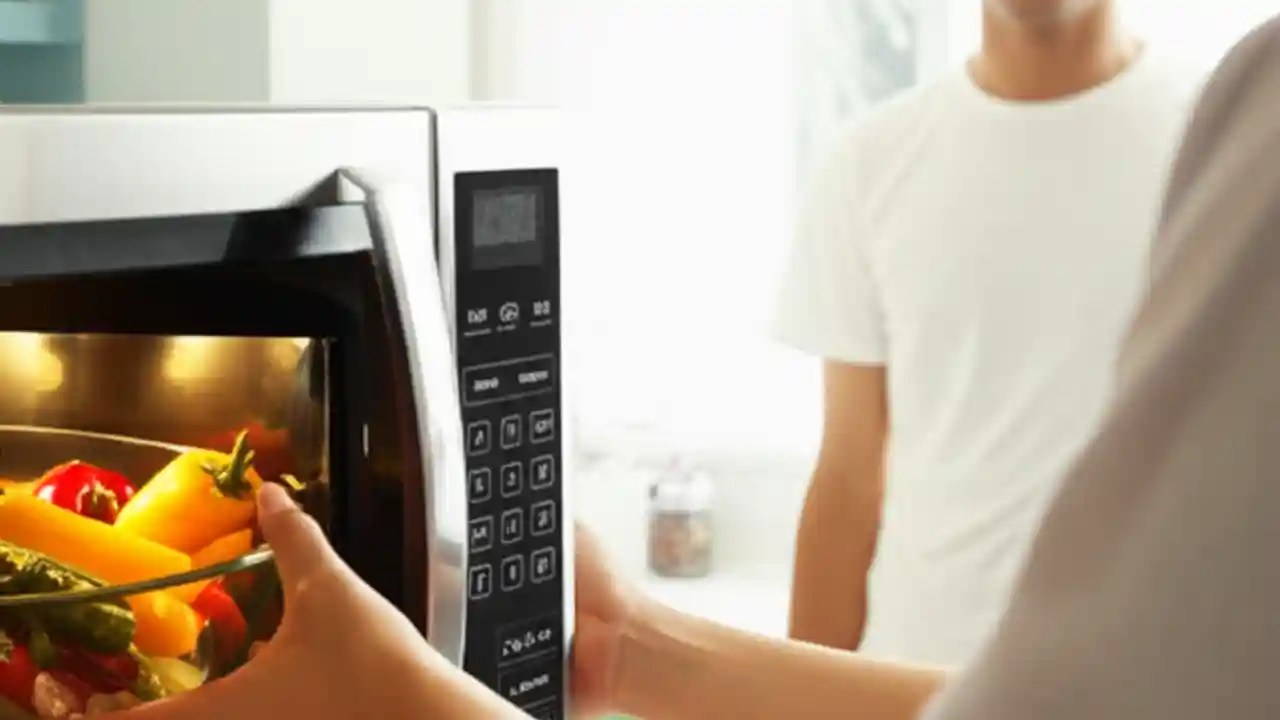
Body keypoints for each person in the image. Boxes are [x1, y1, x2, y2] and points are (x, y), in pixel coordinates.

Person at [112, 14, 1280, 720]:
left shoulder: (1227, 118)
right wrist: (632, 648)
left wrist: (417, 700)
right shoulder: (883, 157)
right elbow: (858, 484)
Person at [775, 0, 1202, 665]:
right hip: (920, 680)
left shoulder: (1224, 151)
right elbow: (849, 481)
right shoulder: (869, 164)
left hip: (1140, 682)